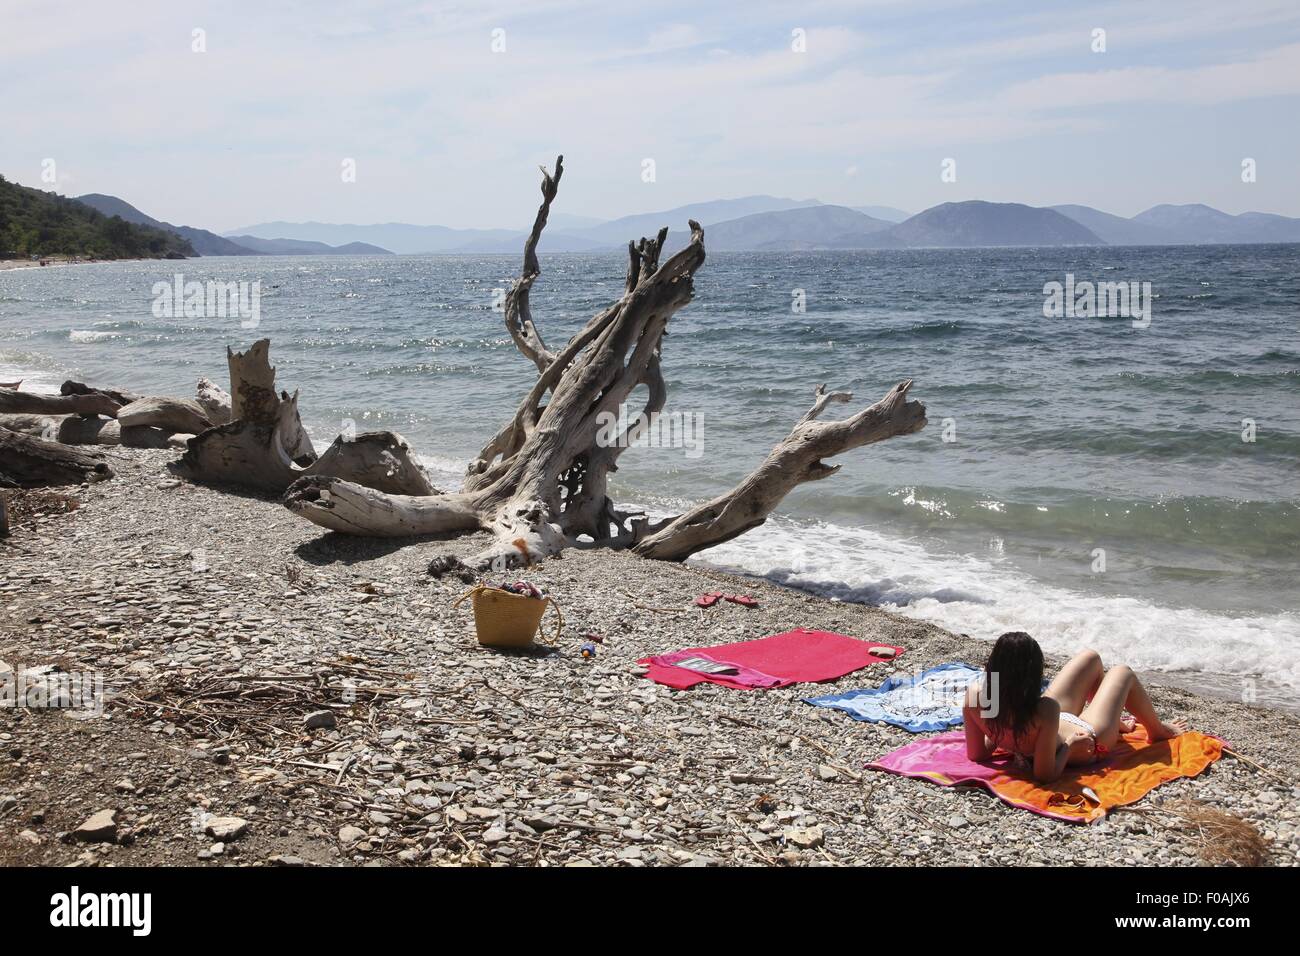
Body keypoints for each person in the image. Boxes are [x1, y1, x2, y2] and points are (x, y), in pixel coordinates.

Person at [962, 631, 1187, 783]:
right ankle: (1156, 731)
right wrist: (1070, 746)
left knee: (1091, 658)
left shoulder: (976, 695)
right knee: (1122, 672)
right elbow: (1044, 775)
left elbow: (977, 754)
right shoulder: (1045, 709)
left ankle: (1116, 721)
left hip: (1044, 722)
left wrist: (1004, 732)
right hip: (1089, 737)